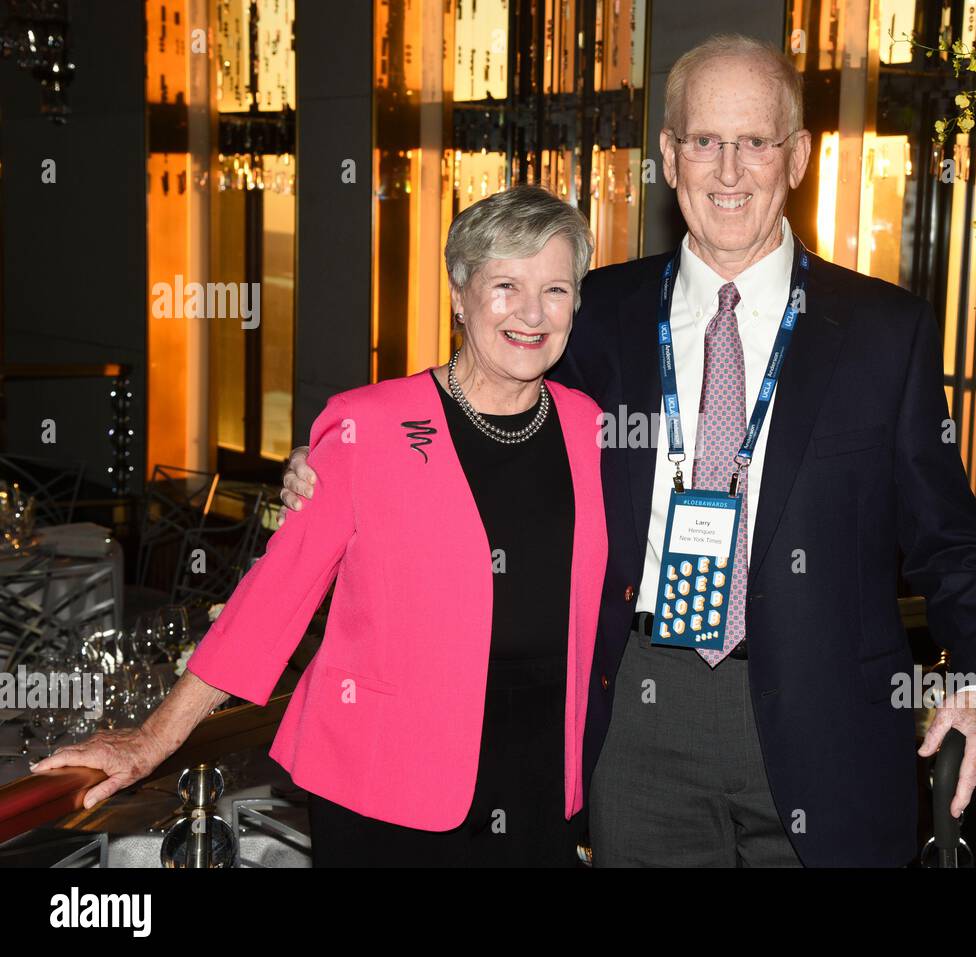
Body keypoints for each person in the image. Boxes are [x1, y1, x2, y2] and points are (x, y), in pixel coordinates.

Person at [283, 34, 976, 867]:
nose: (730, 170)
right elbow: (480, 400)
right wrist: (342, 452)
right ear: (670, 158)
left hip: (830, 720)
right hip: (639, 719)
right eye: (705, 141)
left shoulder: (888, 333)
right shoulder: (594, 313)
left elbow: (950, 540)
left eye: (755, 142)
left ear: (800, 157)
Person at [33, 184, 608, 867]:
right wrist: (154, 736)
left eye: (557, 289)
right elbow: (274, 598)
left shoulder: (586, 425)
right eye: (506, 285)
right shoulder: (373, 424)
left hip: (540, 773)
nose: (532, 313)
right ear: (460, 294)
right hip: (388, 787)